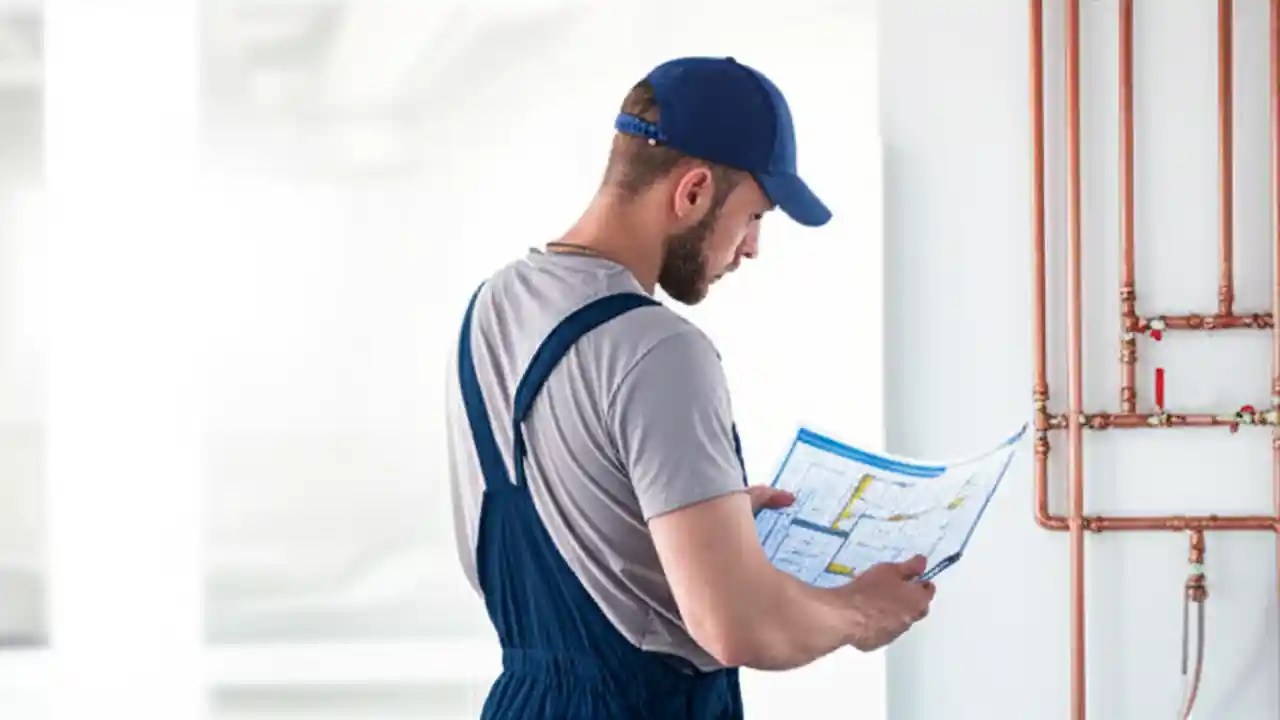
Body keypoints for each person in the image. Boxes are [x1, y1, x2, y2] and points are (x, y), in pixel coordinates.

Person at [446, 56, 935, 720]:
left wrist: (704, 522)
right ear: (694, 191)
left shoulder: (494, 304)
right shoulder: (659, 347)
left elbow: (564, 504)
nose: (752, 247)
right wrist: (860, 612)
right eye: (755, 215)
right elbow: (736, 624)